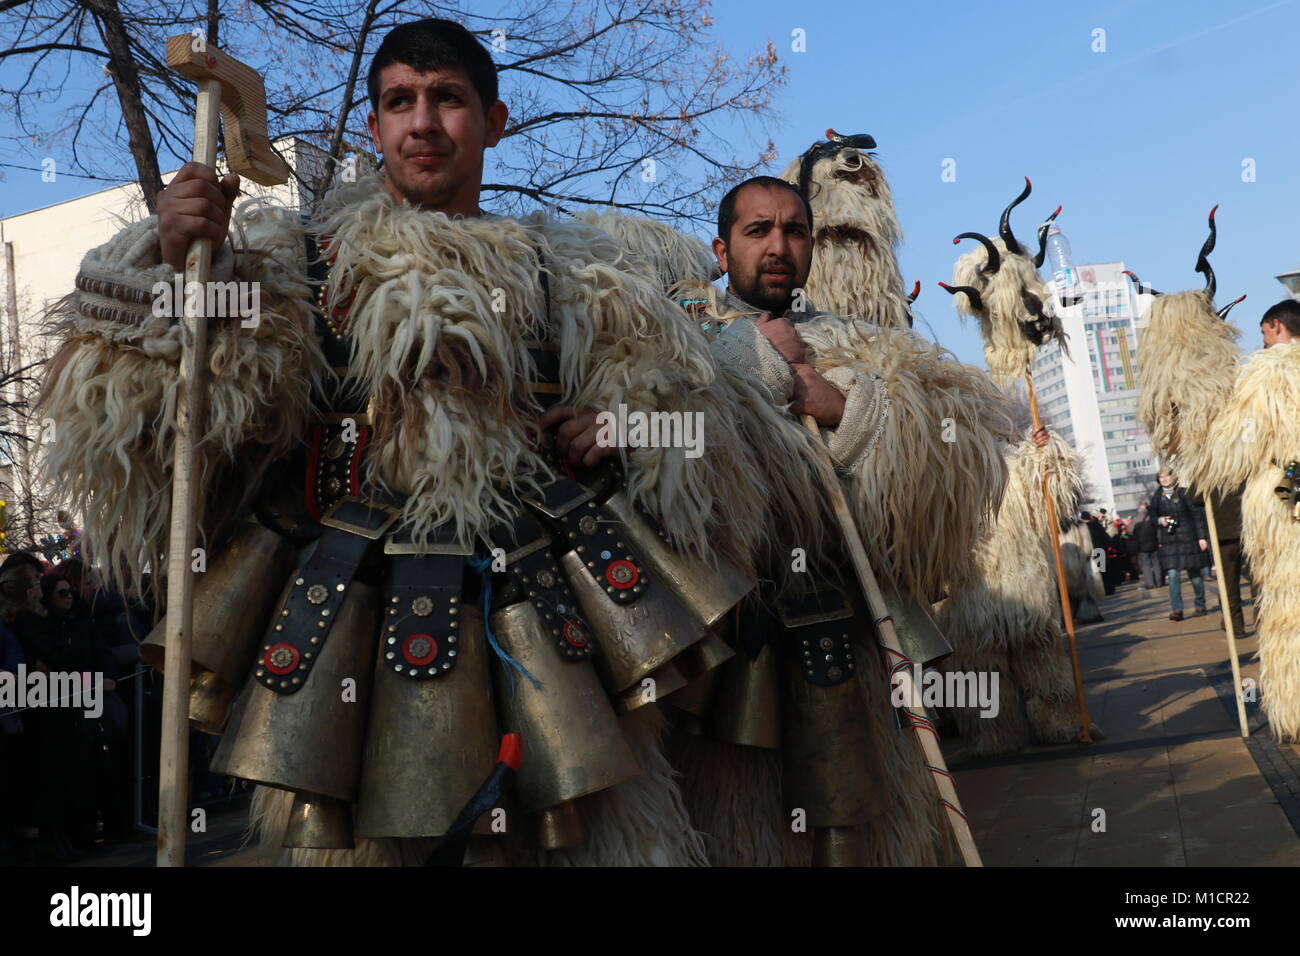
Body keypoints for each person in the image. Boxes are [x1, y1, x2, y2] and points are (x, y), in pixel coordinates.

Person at [39, 18, 775, 866]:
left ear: (493, 122)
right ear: (374, 128)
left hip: (550, 626)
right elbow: (171, 423)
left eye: (448, 99)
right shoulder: (299, 269)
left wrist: (625, 430)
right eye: (400, 102)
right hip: (339, 628)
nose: (423, 121)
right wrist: (171, 265)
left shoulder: (574, 275)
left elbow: (703, 441)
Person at [1150, 469, 1210, 621]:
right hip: (1169, 542)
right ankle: (1177, 609)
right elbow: (1152, 516)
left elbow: (1197, 516)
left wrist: (1202, 537)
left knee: (1195, 574)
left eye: (1166, 475)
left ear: (1174, 477)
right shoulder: (1157, 497)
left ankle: (1200, 604)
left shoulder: (1184, 493)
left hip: (1189, 539)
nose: (1163, 479)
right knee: (1173, 575)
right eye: (1161, 476)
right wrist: (1159, 520)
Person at [1131, 501, 1161, 590]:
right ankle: (1159, 582)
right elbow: (1159, 531)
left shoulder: (1135, 520)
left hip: (1142, 546)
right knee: (1156, 563)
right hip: (1154, 544)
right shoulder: (1153, 518)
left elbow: (1129, 531)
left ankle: (1150, 583)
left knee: (1145, 565)